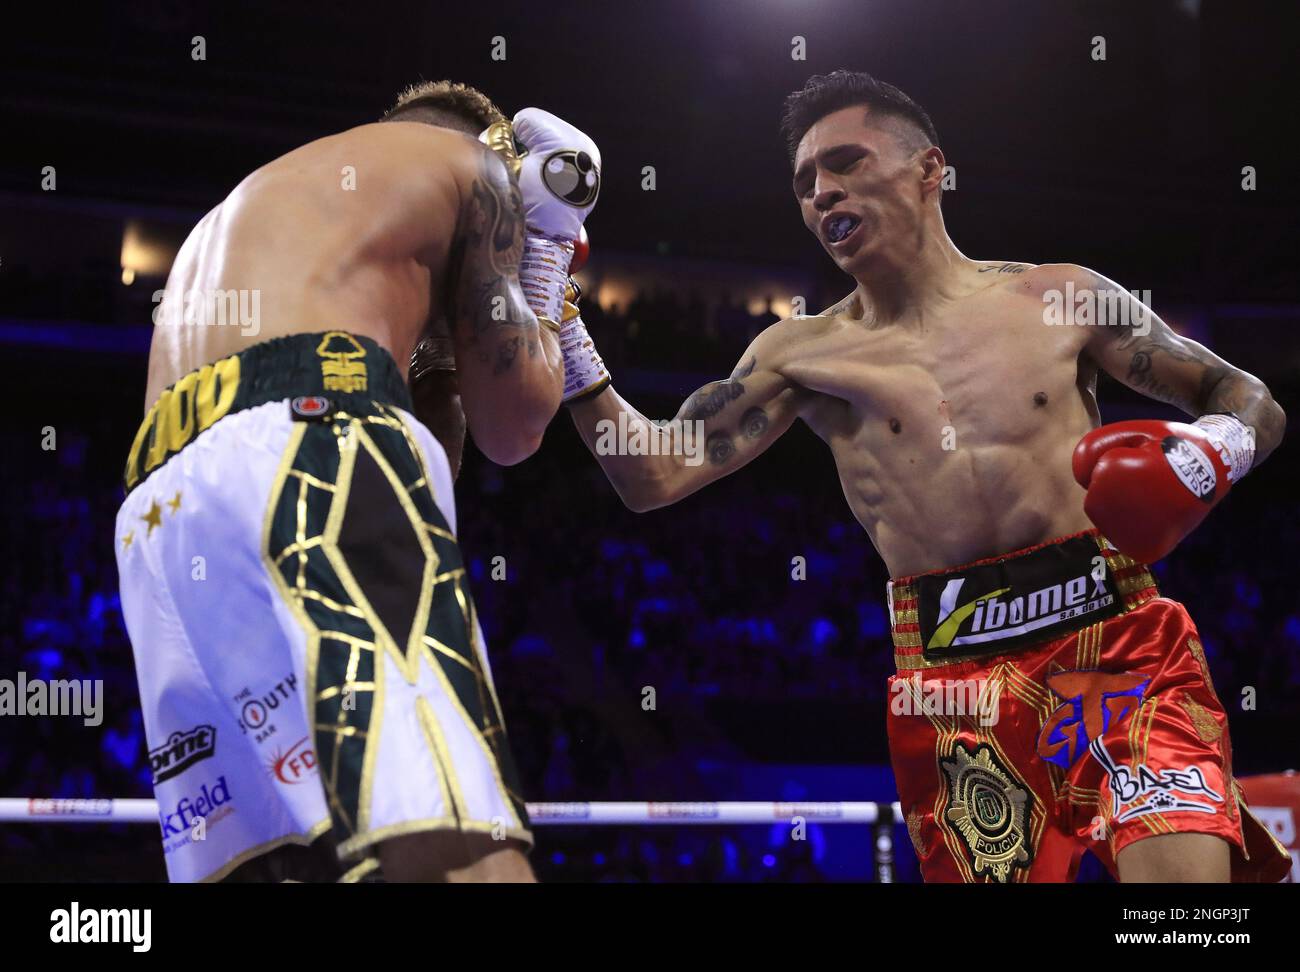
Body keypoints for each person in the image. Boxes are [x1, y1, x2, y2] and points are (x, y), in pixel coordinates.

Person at [556, 70, 1289, 882]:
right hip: (953, 687)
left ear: (929, 169)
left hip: (1118, 645)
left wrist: (1210, 452)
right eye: (805, 183)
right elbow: (651, 474)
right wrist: (566, 331)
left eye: (845, 163)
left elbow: (1245, 396)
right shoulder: (798, 354)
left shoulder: (1068, 296)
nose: (822, 192)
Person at [115, 80, 599, 882]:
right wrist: (548, 242)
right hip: (311, 431)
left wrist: (439, 353)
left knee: (288, 861)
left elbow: (428, 471)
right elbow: (516, 425)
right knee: (456, 841)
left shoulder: (284, 202)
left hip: (157, 509)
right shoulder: (474, 170)